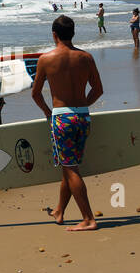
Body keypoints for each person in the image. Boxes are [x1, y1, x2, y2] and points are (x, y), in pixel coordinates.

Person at [32, 15, 104, 231]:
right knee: (69, 164)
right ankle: (59, 211)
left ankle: (89, 219)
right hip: (83, 117)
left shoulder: (46, 59)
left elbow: (36, 94)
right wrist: (82, 106)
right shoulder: (86, 58)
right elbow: (98, 90)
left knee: (70, 167)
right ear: (73, 34)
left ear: (54, 34)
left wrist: (48, 113)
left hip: (61, 118)